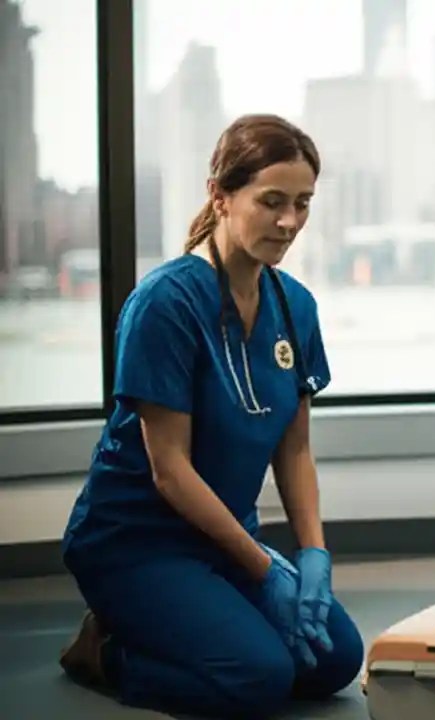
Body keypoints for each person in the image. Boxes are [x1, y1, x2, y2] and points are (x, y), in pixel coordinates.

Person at [58, 114, 364, 718]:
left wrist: (311, 556)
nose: (290, 222)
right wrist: (264, 571)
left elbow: (294, 450)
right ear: (220, 196)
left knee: (336, 660)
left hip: (225, 539)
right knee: (258, 678)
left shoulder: (294, 307)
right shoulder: (165, 304)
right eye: (271, 201)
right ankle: (107, 650)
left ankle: (201, 623)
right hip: (136, 544)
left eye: (303, 203)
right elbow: (169, 469)